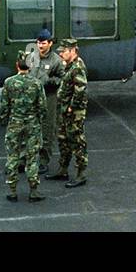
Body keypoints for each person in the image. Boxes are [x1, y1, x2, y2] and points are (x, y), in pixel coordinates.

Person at [0, 55, 46, 202]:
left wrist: (5, 119)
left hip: (15, 122)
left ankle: (12, 190)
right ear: (30, 66)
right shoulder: (37, 83)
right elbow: (43, 107)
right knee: (32, 157)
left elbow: (3, 105)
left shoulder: (9, 82)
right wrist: (38, 120)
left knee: (13, 156)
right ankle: (33, 190)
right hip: (32, 124)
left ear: (17, 66)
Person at [21, 28, 64, 173]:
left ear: (50, 43)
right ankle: (24, 158)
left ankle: (44, 160)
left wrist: (50, 81)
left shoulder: (56, 60)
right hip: (31, 97)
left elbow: (62, 79)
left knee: (47, 129)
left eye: (43, 43)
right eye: (38, 42)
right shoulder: (31, 57)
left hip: (48, 97)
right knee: (27, 127)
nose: (40, 45)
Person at [50, 37, 89, 188]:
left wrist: (72, 107)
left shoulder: (77, 67)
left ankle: (81, 174)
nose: (61, 54)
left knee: (77, 141)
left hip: (74, 112)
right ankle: (63, 169)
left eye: (64, 51)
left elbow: (81, 90)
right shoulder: (69, 65)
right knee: (63, 139)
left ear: (73, 51)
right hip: (65, 110)